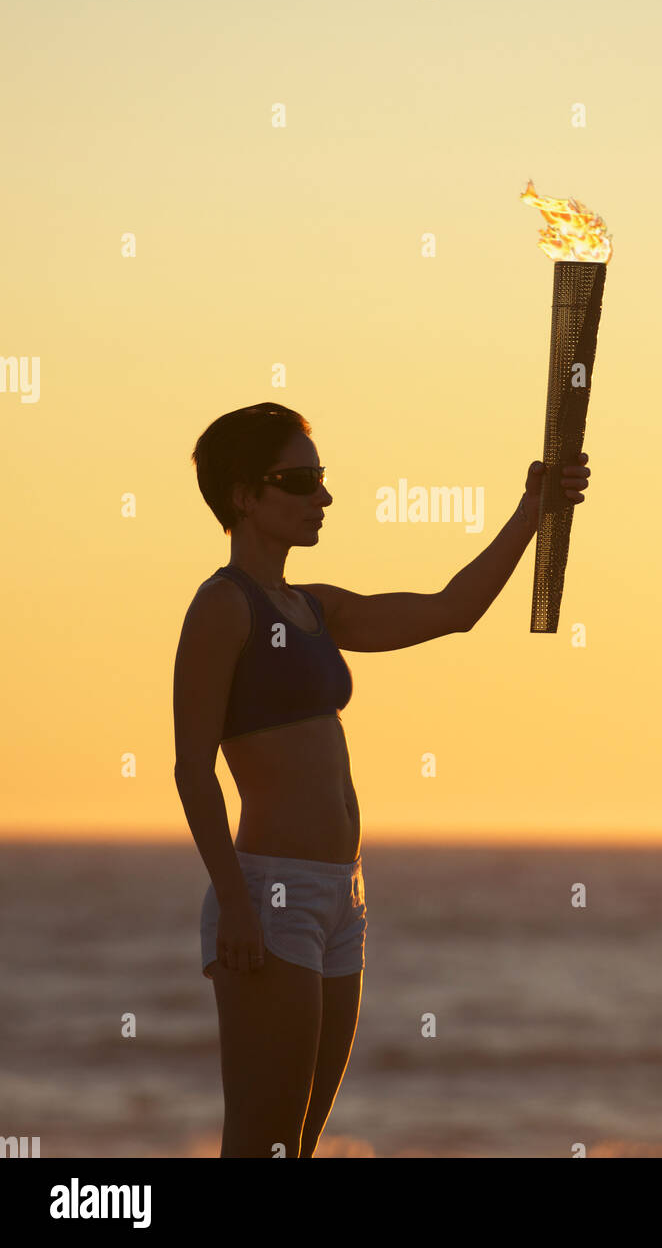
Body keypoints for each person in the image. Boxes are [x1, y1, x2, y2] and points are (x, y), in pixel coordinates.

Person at [172, 402, 590, 1158]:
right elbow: (191, 770)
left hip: (343, 898)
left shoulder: (316, 609)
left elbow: (452, 611)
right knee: (260, 1145)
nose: (321, 498)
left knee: (298, 1147)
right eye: (298, 482)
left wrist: (535, 508)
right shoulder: (221, 606)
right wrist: (235, 902)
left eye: (320, 480)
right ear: (243, 495)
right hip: (271, 896)